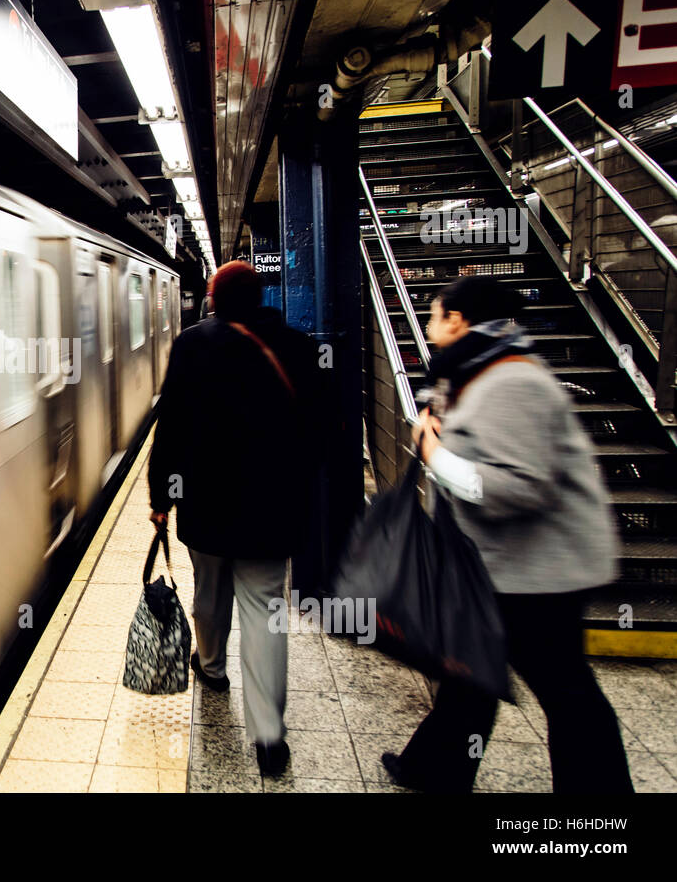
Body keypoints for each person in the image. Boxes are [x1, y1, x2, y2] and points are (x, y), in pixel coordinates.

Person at [382, 274, 633, 793]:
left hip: (539, 575)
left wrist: (434, 454)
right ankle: (432, 769)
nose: (428, 330)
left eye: (433, 317)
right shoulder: (481, 372)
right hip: (502, 567)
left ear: (458, 320)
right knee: (469, 679)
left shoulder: (513, 383)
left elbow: (513, 490)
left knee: (564, 692)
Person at [149, 260, 321, 778]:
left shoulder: (193, 345)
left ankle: (211, 668)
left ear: (213, 298)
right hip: (271, 509)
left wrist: (162, 496)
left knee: (209, 590)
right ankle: (269, 736)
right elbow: (319, 430)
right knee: (266, 610)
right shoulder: (299, 346)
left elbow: (171, 426)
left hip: (206, 501)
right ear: (260, 296)